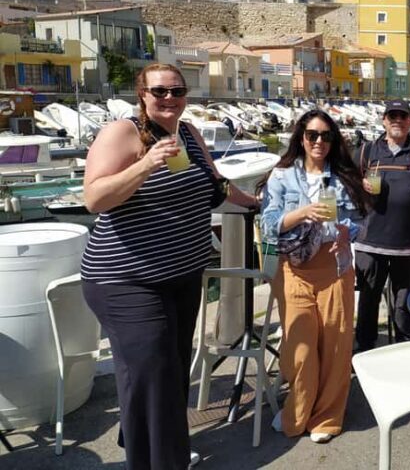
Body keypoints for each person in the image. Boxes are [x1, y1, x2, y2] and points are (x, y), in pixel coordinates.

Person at [81, 63, 258, 470]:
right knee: (153, 371)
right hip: (126, 279)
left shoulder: (190, 135)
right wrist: (144, 165)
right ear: (141, 94)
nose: (169, 99)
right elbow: (94, 198)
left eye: (177, 91)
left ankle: (143, 438)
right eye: (159, 91)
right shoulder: (123, 133)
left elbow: (216, 187)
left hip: (181, 275)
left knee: (169, 370)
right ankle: (164, 460)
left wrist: (256, 203)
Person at [261, 109, 369, 443]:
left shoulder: (345, 176)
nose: (319, 141)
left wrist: (346, 232)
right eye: (312, 135)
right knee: (300, 346)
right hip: (295, 267)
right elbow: (267, 224)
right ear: (301, 138)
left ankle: (326, 416)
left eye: (326, 136)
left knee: (336, 344)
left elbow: (361, 220)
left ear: (334, 140)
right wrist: (300, 213)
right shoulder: (280, 176)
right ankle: (298, 409)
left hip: (335, 265)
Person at [354, 100, 410, 352]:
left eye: (403, 116)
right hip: (370, 244)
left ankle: (404, 352)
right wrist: (361, 185)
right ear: (383, 120)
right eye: (392, 115)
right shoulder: (366, 152)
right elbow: (346, 185)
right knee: (368, 301)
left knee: (403, 305)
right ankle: (365, 351)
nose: (397, 120)